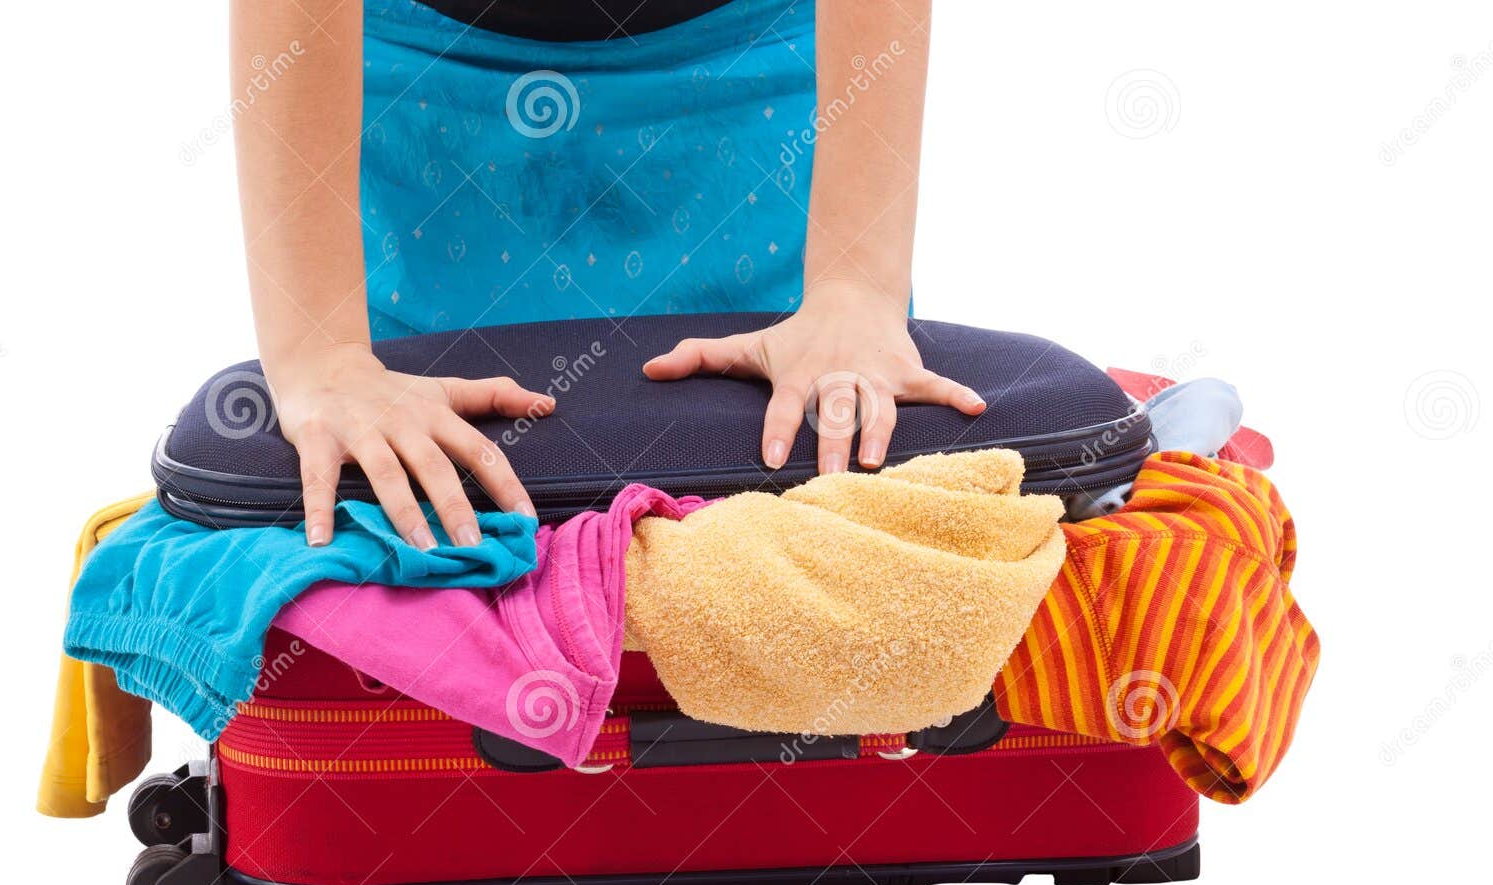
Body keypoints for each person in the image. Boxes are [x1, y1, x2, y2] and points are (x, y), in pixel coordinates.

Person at [231, 0, 984, 549]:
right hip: (428, 112)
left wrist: (854, 286)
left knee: (813, 506)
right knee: (420, 517)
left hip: (758, 100)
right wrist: (320, 353)